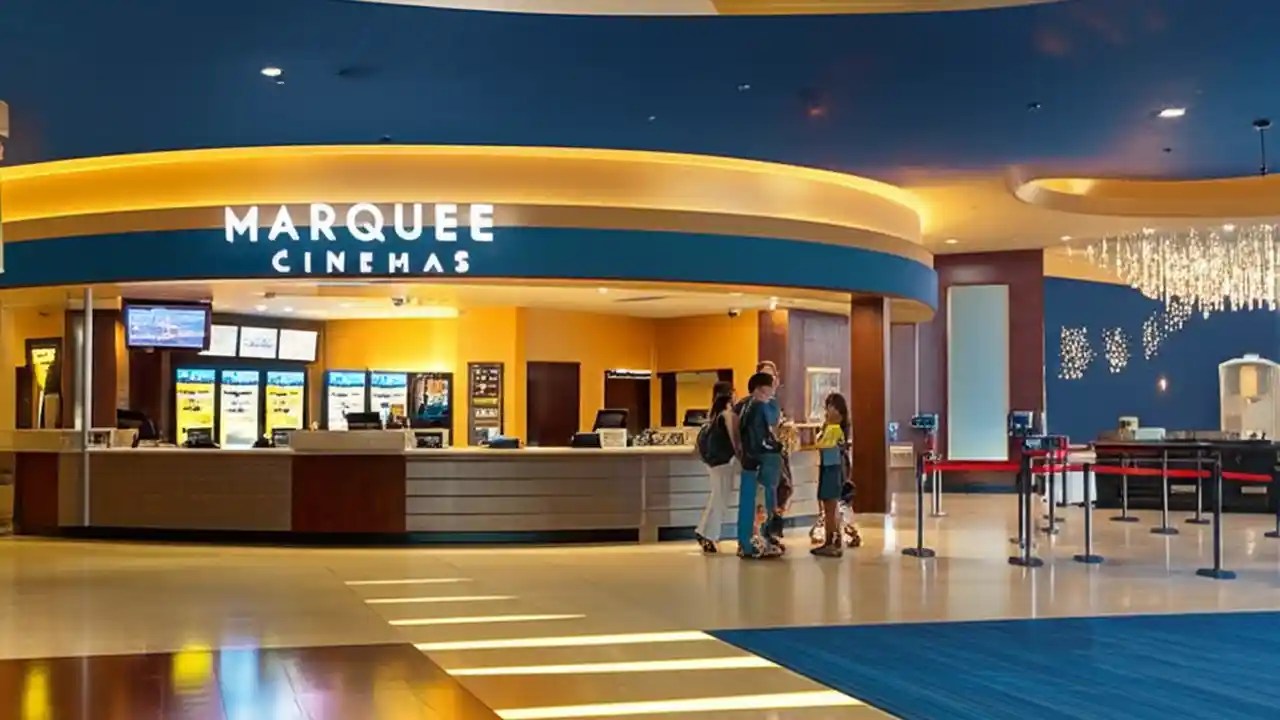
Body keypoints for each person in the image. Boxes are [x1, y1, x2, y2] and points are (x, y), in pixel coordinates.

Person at [735, 372, 783, 559]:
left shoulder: (746, 406)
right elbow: (760, 438)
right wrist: (775, 447)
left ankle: (745, 543)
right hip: (759, 463)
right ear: (763, 388)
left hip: (749, 461)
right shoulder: (758, 407)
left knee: (747, 504)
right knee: (760, 503)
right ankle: (759, 541)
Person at [694, 382, 736, 553]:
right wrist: (740, 453)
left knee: (717, 497)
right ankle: (709, 535)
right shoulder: (726, 414)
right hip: (725, 462)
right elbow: (734, 438)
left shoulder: (713, 416)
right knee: (721, 500)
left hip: (713, 463)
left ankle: (704, 532)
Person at [812, 392, 854, 557]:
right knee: (830, 505)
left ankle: (831, 541)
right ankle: (832, 539)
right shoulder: (832, 428)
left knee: (830, 506)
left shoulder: (834, 429)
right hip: (830, 467)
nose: (827, 411)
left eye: (829, 407)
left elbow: (821, 444)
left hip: (832, 469)